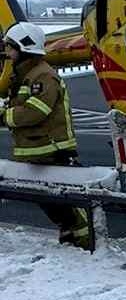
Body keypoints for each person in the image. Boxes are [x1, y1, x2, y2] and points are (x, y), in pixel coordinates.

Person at [0, 21, 92, 249]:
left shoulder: (43, 76)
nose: (8, 53)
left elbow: (35, 112)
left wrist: (4, 116)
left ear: (24, 48)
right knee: (53, 204)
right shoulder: (25, 75)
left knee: (70, 206)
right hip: (37, 152)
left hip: (53, 150)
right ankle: (72, 241)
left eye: (10, 48)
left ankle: (86, 245)